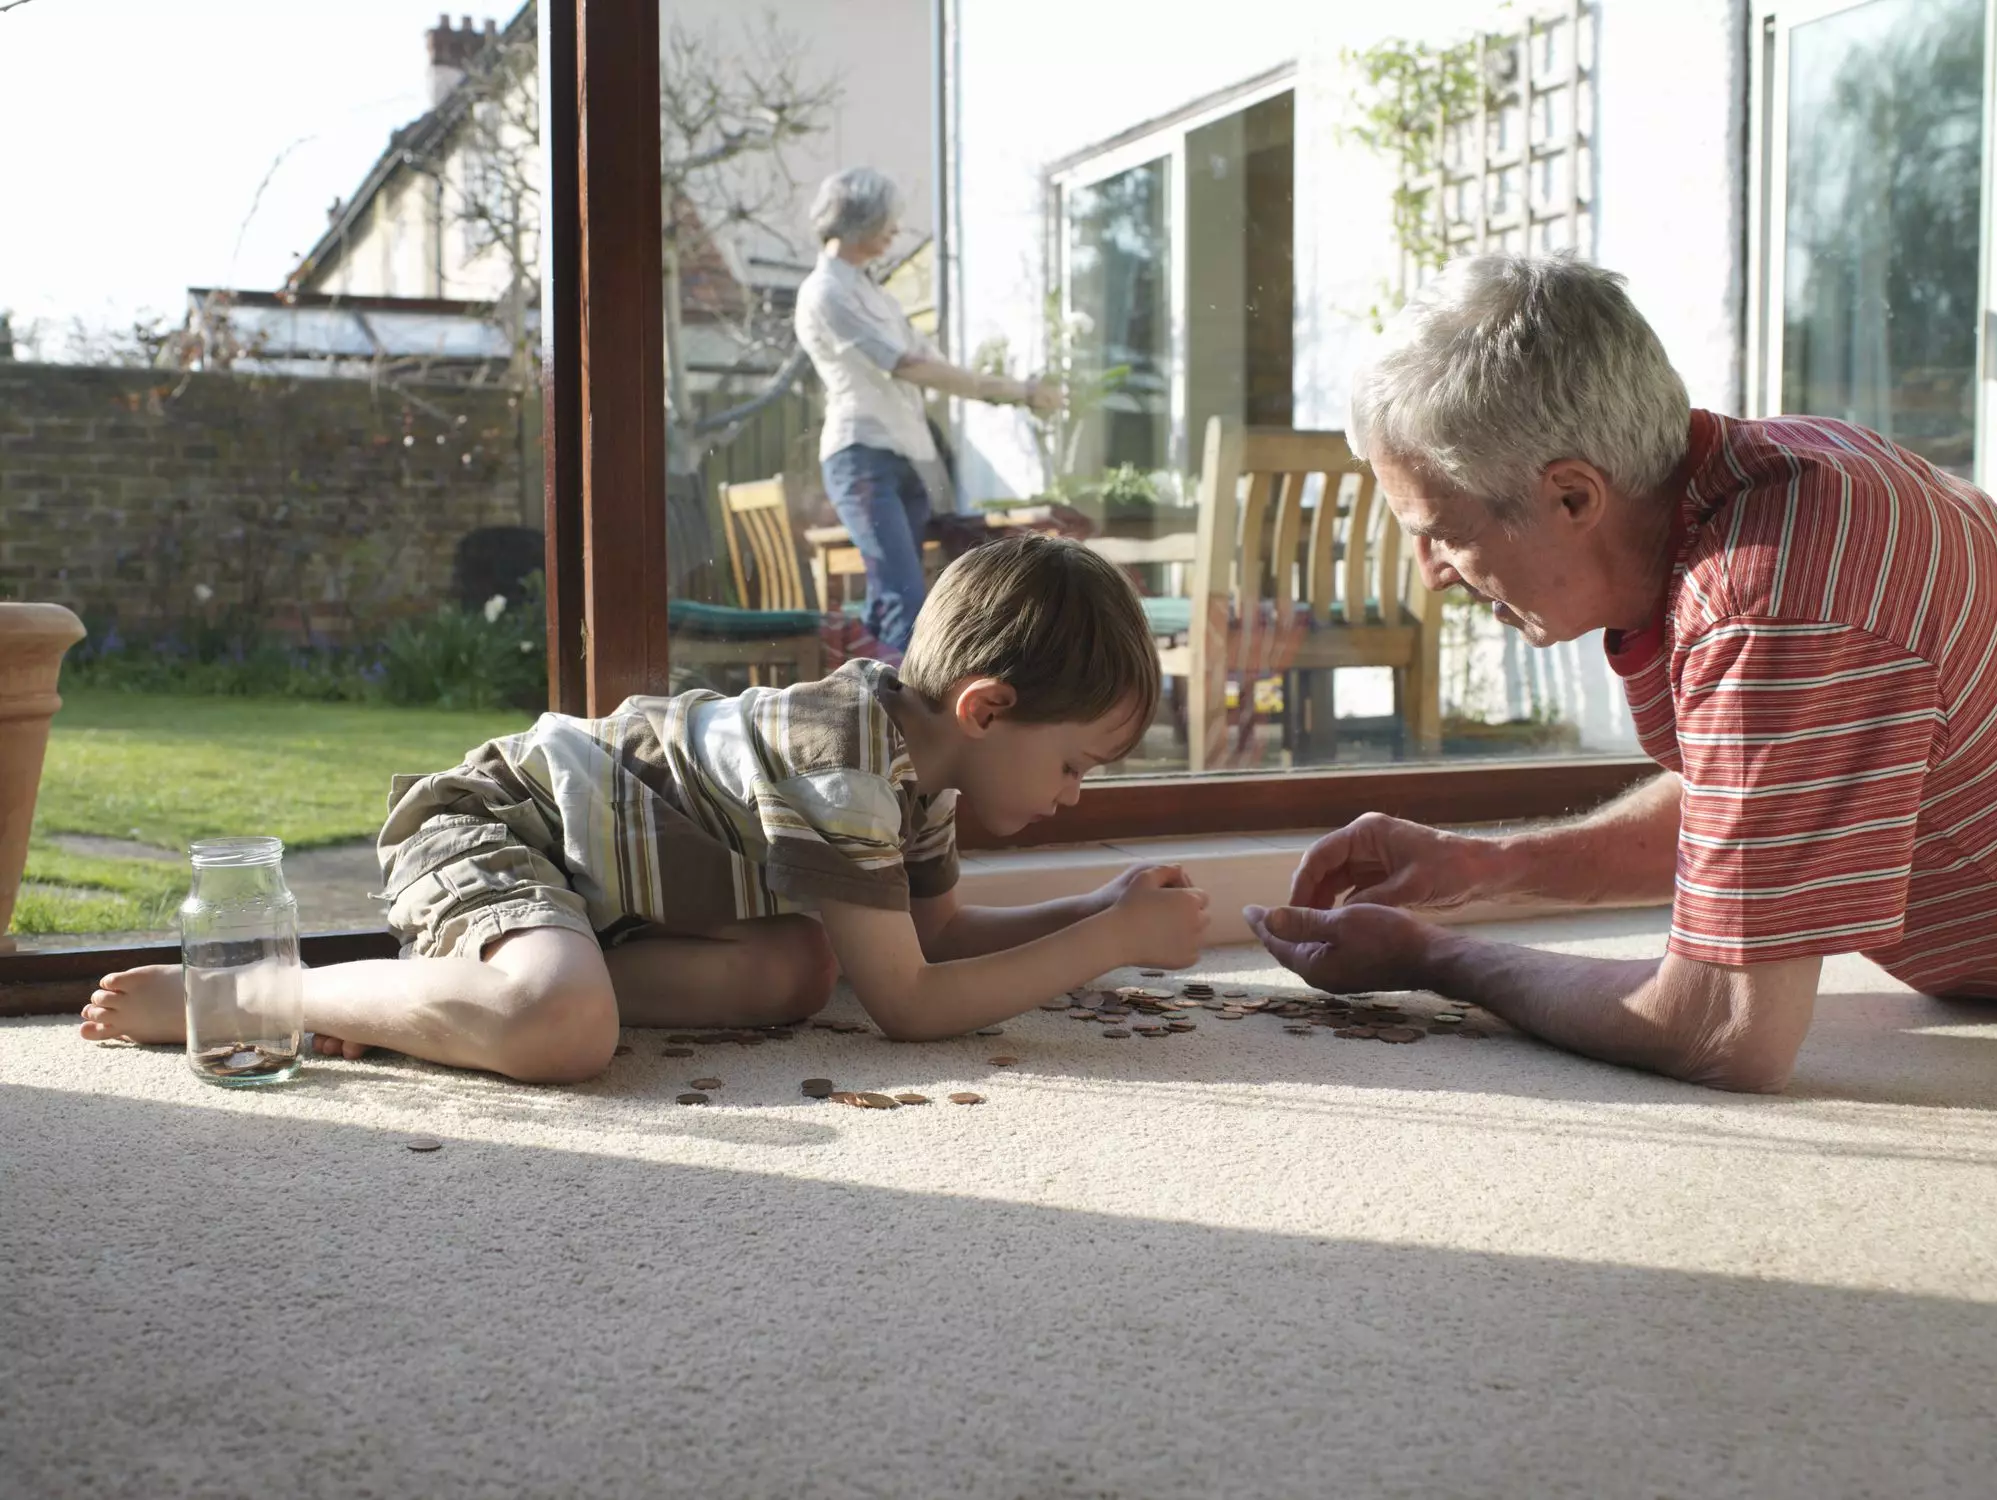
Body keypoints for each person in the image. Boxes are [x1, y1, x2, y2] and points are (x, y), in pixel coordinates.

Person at [1245, 252, 1997, 1093]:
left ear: (1572, 496)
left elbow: (1721, 1029)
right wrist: (1487, 866)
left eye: (1445, 532)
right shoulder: (1777, 475)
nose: (1432, 573)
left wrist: (1437, 958)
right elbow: (1757, 795)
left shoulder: (1776, 604)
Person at [79, 537, 1208, 1081]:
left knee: (798, 970)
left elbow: (938, 941)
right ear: (987, 706)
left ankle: (445, 1001)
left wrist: (1094, 904)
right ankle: (254, 994)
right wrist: (1105, 942)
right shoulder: (845, 766)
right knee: (562, 1033)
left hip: (604, 893)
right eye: (1075, 765)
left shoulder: (921, 777)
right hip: (499, 825)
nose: (1074, 795)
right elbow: (913, 1005)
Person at [795, 166, 1059, 651]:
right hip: (861, 457)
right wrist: (1016, 390)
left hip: (906, 456)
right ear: (861, 219)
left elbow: (933, 363)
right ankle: (910, 719)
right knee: (905, 598)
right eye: (889, 219)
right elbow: (910, 365)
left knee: (888, 597)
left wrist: (1013, 389)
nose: (896, 229)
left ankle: (860, 707)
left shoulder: (876, 295)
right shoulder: (825, 292)